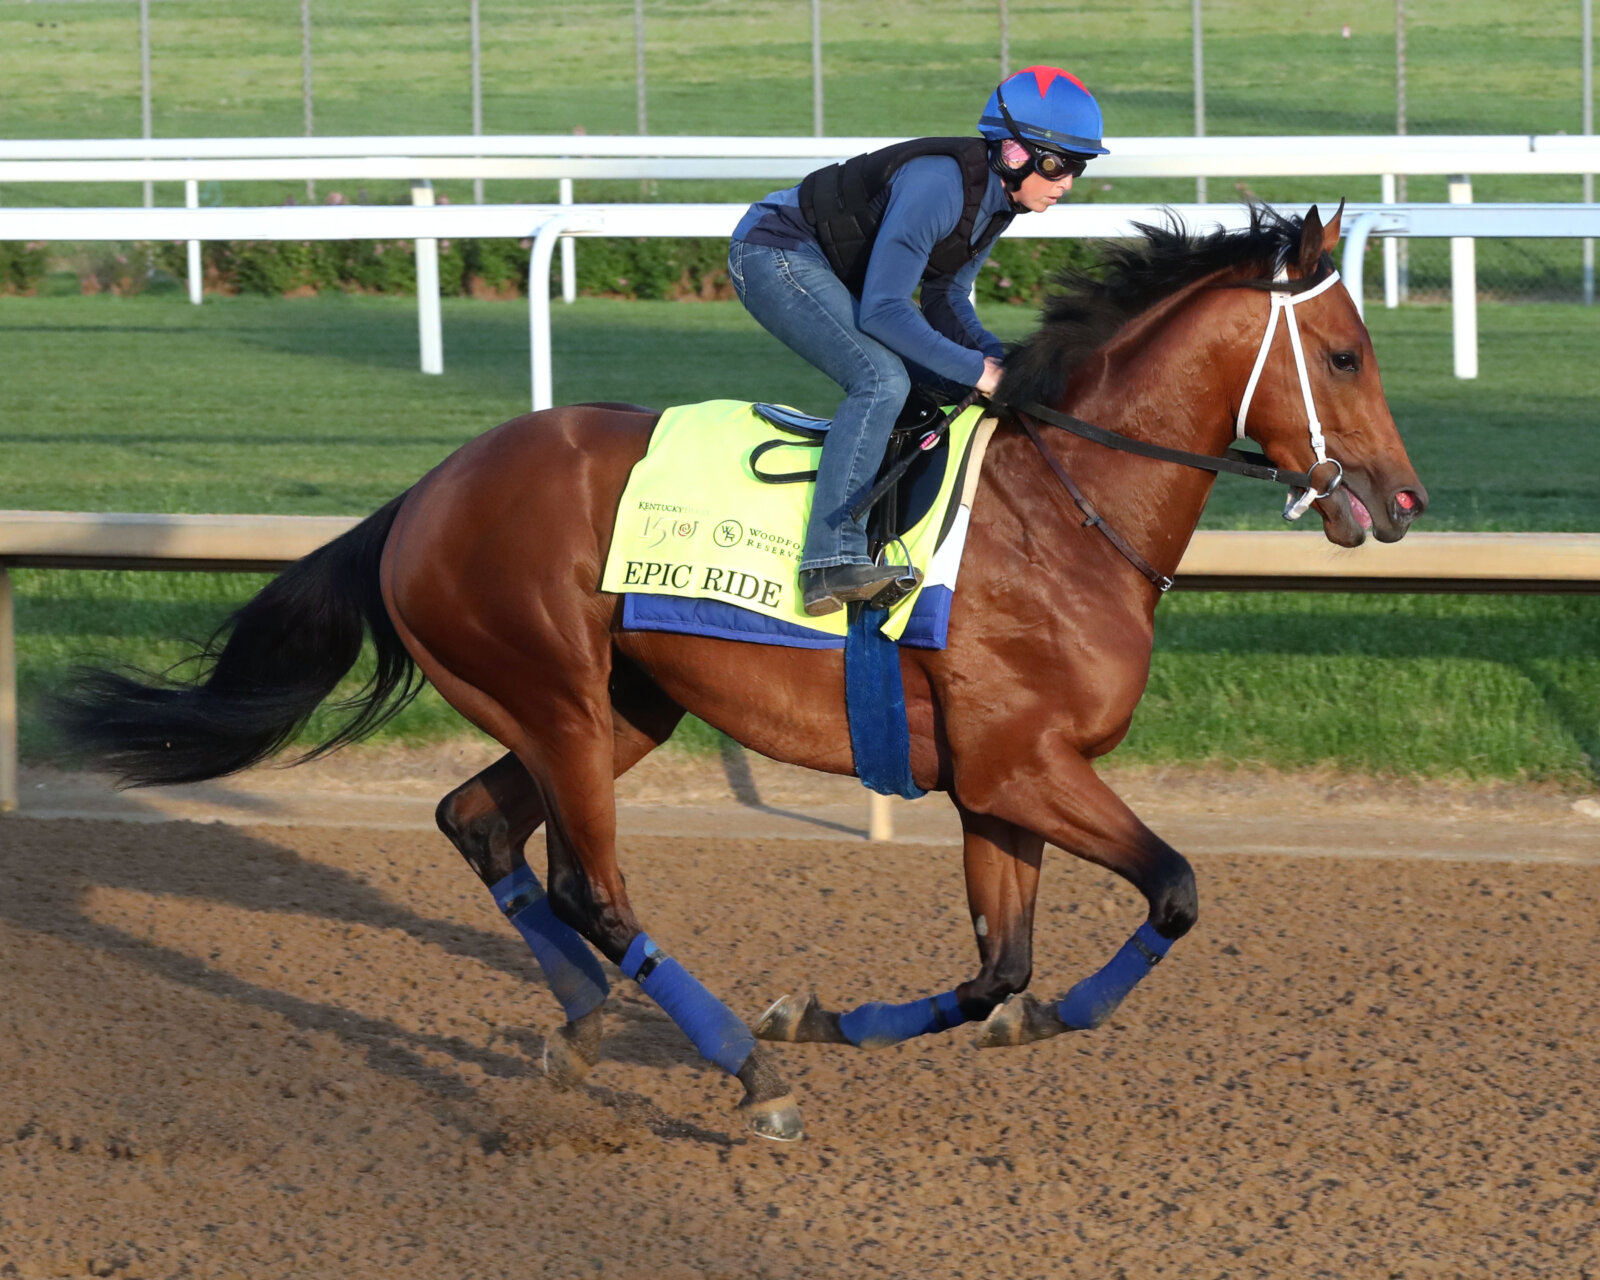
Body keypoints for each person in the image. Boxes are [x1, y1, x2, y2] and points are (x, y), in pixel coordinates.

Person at [728, 65, 1109, 617]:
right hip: (775, 252)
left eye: (1079, 167)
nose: (1067, 183)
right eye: (1059, 164)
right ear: (1014, 153)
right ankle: (828, 562)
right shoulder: (938, 185)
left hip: (829, 268)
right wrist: (980, 372)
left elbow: (946, 296)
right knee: (880, 379)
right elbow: (884, 311)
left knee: (942, 378)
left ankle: (892, 536)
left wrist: (998, 360)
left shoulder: (998, 201)